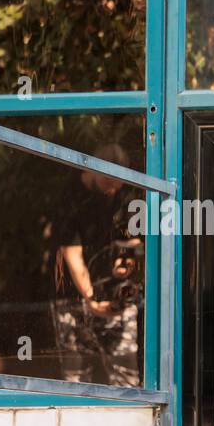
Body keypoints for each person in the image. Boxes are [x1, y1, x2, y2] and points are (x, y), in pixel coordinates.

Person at [52, 143, 142, 388]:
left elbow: (132, 241)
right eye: (108, 180)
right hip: (74, 297)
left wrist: (127, 269)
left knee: (126, 379)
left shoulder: (126, 195)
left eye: (119, 182)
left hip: (116, 296)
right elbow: (71, 253)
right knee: (76, 381)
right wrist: (91, 298)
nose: (113, 188)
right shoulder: (70, 197)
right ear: (92, 169)